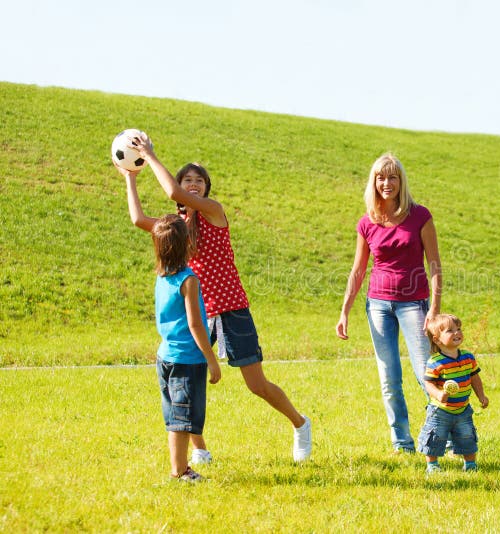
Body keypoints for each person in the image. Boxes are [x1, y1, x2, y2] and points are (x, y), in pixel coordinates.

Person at [118, 133, 312, 463]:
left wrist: (149, 156)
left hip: (232, 308)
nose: (192, 185)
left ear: (207, 188)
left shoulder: (213, 211)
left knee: (256, 385)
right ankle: (200, 451)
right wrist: (130, 178)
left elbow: (173, 193)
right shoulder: (176, 226)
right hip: (196, 311)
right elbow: (138, 220)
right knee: (189, 383)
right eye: (186, 179)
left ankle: (300, 424)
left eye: (198, 181)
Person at [336, 153, 442, 453]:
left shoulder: (420, 216)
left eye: (392, 177)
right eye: (381, 178)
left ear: (401, 181)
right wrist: (344, 311)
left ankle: (441, 435)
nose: (387, 183)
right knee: (389, 381)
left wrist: (434, 308)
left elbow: (434, 264)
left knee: (427, 375)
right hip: (378, 307)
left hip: (414, 305)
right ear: (374, 182)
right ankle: (403, 443)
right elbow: (357, 271)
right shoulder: (367, 223)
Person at [150, 214, 221, 481]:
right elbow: (196, 325)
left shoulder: (161, 277)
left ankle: (179, 468)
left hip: (165, 356)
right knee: (181, 420)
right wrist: (211, 359)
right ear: (187, 245)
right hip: (187, 360)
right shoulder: (188, 280)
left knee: (174, 417)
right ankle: (179, 471)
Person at [418, 314, 488, 473]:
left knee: (467, 437)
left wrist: (481, 396)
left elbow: (474, 378)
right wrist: (438, 394)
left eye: (458, 329)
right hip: (440, 410)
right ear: (437, 340)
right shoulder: (435, 362)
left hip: (463, 409)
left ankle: (470, 465)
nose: (457, 333)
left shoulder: (468, 357)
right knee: (434, 437)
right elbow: (428, 383)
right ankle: (433, 466)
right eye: (450, 331)